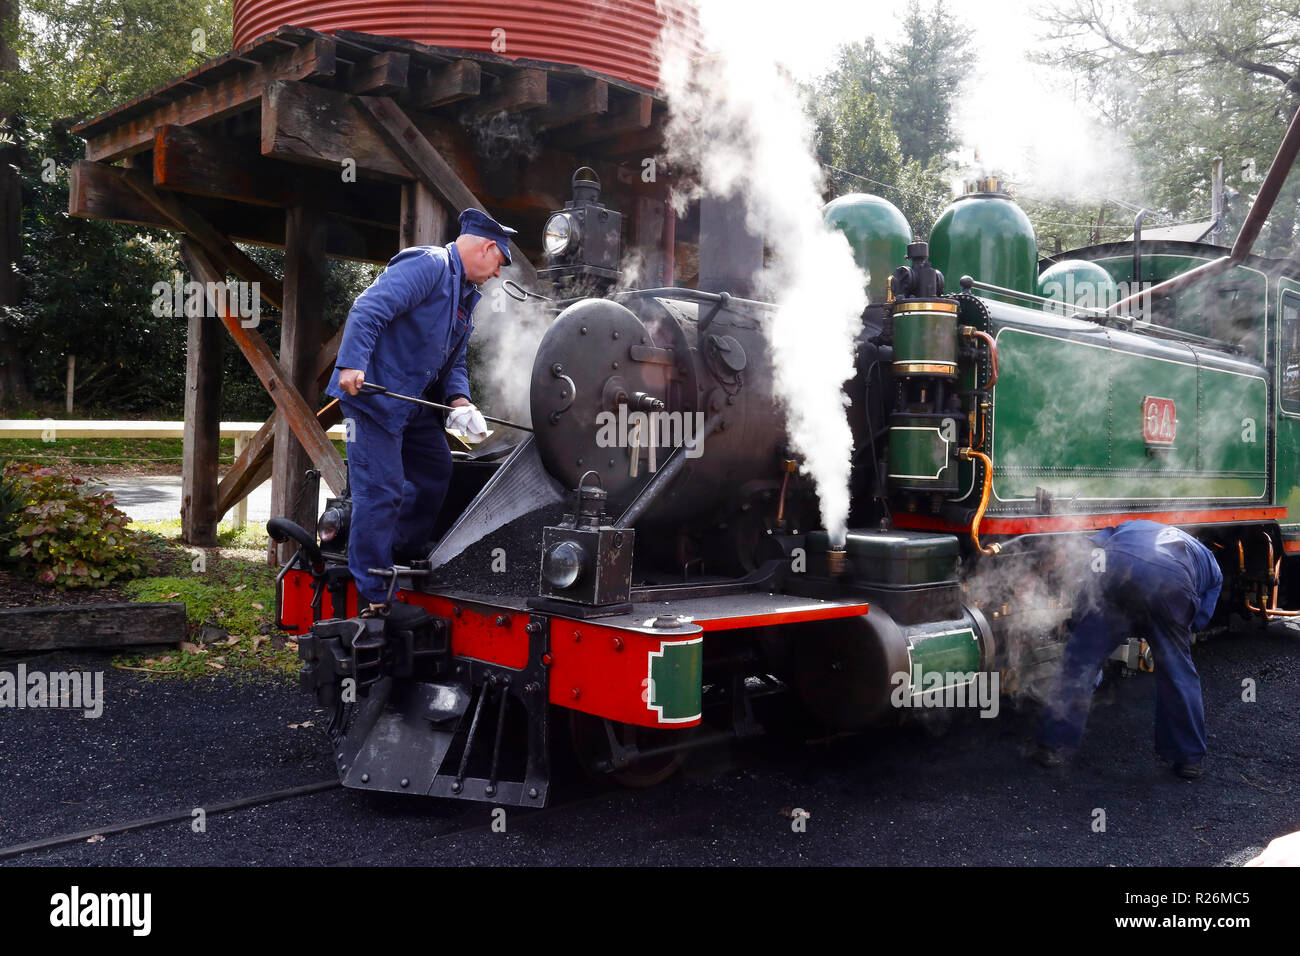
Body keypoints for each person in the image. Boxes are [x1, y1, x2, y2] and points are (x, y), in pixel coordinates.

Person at [325, 208, 516, 619]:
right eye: (499, 262)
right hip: (374, 401)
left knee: (436, 470)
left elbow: (455, 360)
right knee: (381, 492)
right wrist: (351, 363)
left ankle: (402, 551)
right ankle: (374, 593)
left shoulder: (465, 294)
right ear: (486, 247)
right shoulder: (427, 265)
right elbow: (368, 308)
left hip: (412, 407)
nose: (498, 274)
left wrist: (461, 401)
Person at [1033, 519, 1223, 779]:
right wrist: (1172, 631)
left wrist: (1078, 622)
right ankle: (1188, 758)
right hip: (1170, 583)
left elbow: (1092, 558)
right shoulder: (1210, 564)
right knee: (1177, 673)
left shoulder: (1129, 526)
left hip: (1116, 572)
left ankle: (1052, 744)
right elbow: (1199, 620)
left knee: (1081, 660)